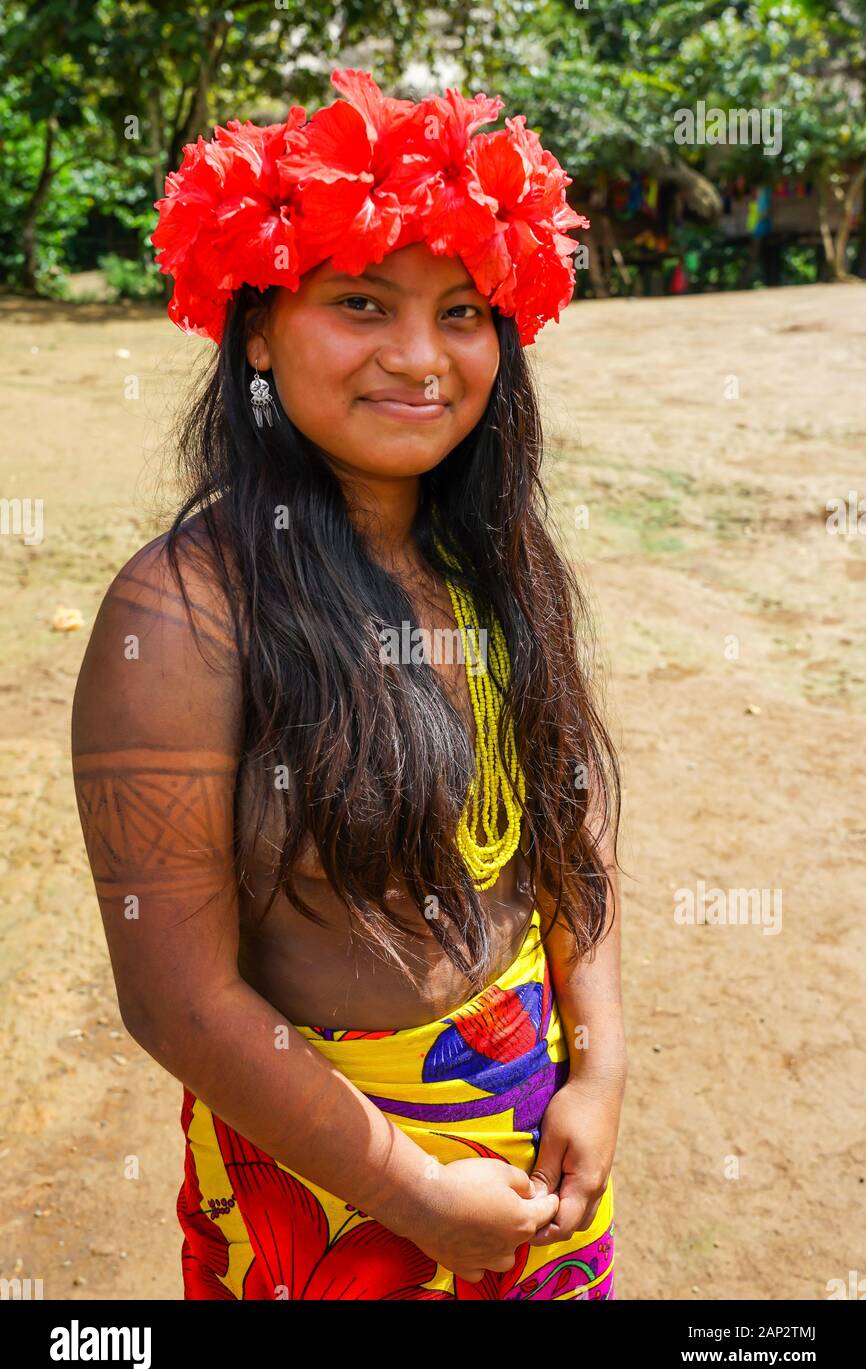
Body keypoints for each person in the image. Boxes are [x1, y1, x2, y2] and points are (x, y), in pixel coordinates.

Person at [71, 68, 626, 1301]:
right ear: (258, 329)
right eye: (362, 302)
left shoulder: (495, 559)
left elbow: (565, 820)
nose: (421, 358)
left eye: (465, 312)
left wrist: (594, 1067)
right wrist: (415, 1197)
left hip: (524, 1131)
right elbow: (176, 996)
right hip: (322, 1170)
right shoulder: (179, 617)